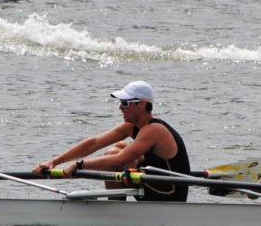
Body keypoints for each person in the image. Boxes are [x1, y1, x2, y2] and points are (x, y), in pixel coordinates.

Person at [33, 80, 191, 201]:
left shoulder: (154, 129)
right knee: (119, 147)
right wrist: (54, 161)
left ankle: (115, 210)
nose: (120, 108)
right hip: (153, 183)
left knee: (117, 157)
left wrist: (79, 164)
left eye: (125, 103)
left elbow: (117, 162)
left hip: (170, 193)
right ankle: (116, 207)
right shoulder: (132, 126)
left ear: (142, 104)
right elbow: (94, 143)